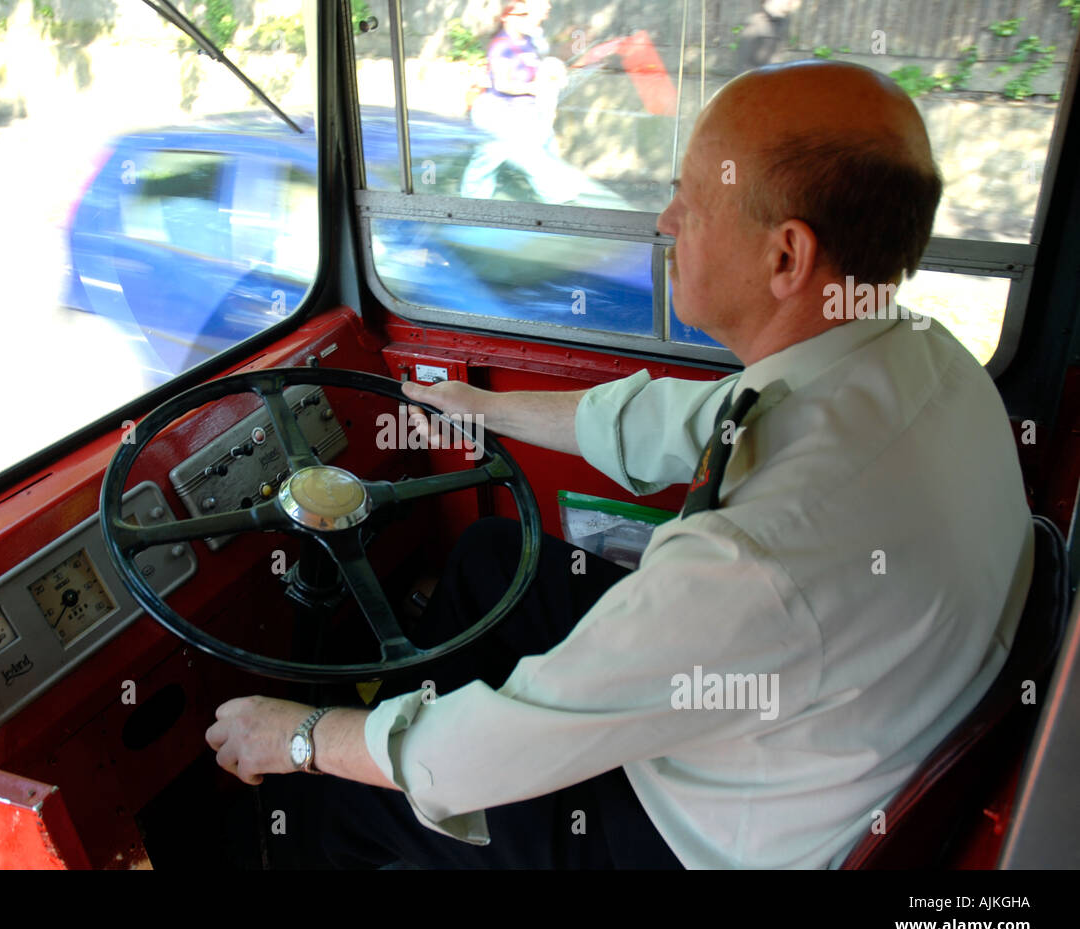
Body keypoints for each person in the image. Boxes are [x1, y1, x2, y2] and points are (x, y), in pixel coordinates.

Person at [206, 60, 1034, 869]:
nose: (667, 221)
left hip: (687, 831)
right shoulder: (922, 359)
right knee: (494, 563)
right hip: (813, 730)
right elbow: (675, 420)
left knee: (332, 791)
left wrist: (300, 737)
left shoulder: (754, 560)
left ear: (786, 258)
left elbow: (456, 767)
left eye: (695, 201)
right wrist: (481, 408)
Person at [459, 0, 578, 203]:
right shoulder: (502, 46)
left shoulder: (528, 42)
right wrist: (534, 88)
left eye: (526, 15)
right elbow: (503, 85)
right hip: (497, 113)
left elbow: (537, 69)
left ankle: (558, 198)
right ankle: (470, 201)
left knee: (537, 151)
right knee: (491, 156)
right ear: (506, 17)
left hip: (523, 111)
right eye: (519, 15)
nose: (525, 19)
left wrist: (552, 73)